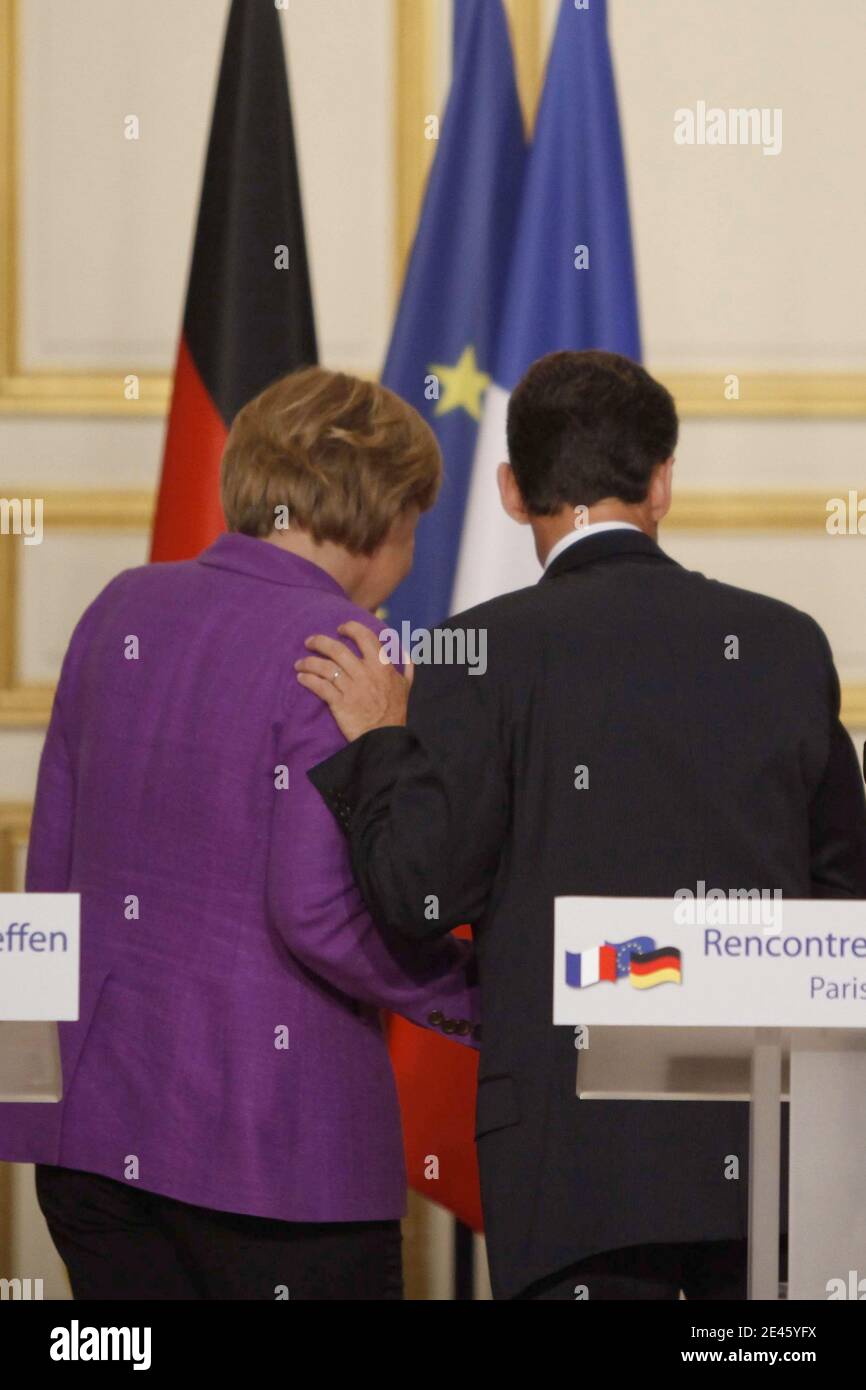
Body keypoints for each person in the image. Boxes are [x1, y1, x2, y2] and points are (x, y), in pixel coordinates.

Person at [300, 348, 866, 1301]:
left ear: (515, 492)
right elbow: (844, 901)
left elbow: (416, 895)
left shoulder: (479, 652)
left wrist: (380, 745)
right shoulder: (784, 642)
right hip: (770, 1176)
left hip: (571, 1185)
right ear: (662, 482)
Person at [0, 366, 479, 1301]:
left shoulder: (120, 606)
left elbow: (49, 868)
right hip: (272, 1158)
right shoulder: (347, 646)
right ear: (383, 519)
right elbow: (317, 915)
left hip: (92, 1135)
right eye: (417, 522)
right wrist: (477, 998)